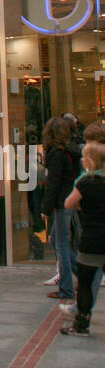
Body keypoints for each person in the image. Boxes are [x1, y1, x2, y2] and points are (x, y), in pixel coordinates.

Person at [61, 140, 105, 336]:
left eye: (85, 157)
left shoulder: (85, 182)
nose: (82, 159)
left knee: (86, 283)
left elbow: (68, 203)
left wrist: (82, 205)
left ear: (91, 161)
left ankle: (81, 324)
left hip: (92, 239)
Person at [42, 116, 78, 302]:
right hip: (69, 199)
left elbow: (53, 183)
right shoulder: (71, 151)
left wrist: (46, 208)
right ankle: (84, 272)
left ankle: (66, 288)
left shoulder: (56, 154)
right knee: (58, 239)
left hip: (61, 202)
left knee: (60, 243)